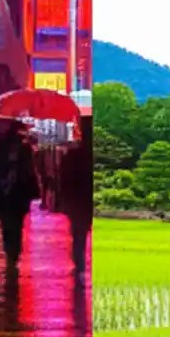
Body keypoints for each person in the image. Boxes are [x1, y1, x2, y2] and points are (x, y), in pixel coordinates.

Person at [0, 126, 41, 269]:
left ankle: (12, 253)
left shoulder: (20, 151)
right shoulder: (4, 150)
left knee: (12, 224)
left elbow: (29, 171)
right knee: (13, 225)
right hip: (13, 194)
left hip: (14, 193)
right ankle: (12, 253)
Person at [56, 117, 93, 273]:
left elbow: (63, 179)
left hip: (77, 200)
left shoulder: (72, 155)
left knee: (79, 233)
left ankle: (80, 265)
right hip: (85, 198)